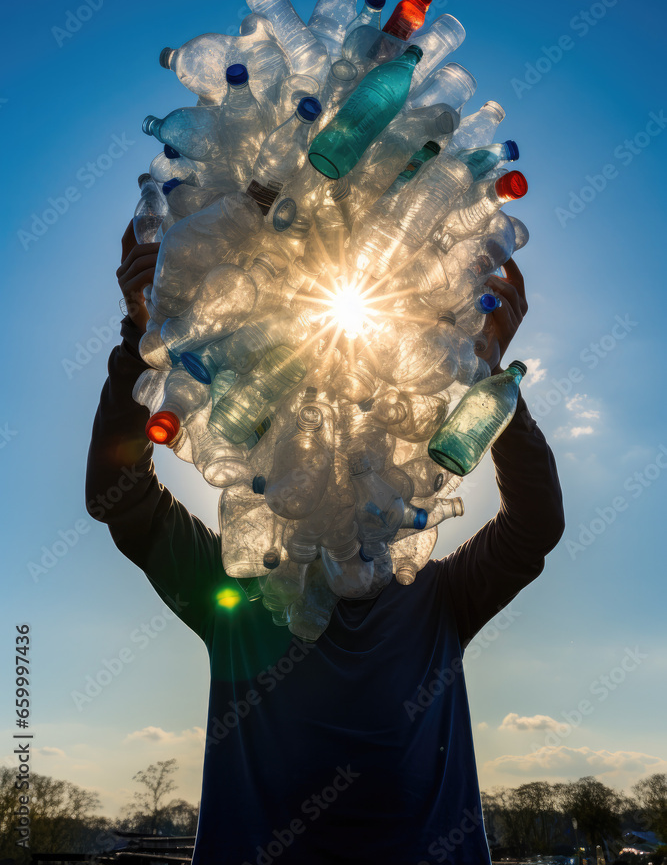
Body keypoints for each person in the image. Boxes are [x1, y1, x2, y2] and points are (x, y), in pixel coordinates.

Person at [86, 220, 565, 865]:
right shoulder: (238, 588)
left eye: (362, 461)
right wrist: (139, 341)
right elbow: (122, 499)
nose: (335, 472)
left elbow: (535, 525)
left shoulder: (436, 597)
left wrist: (489, 378)